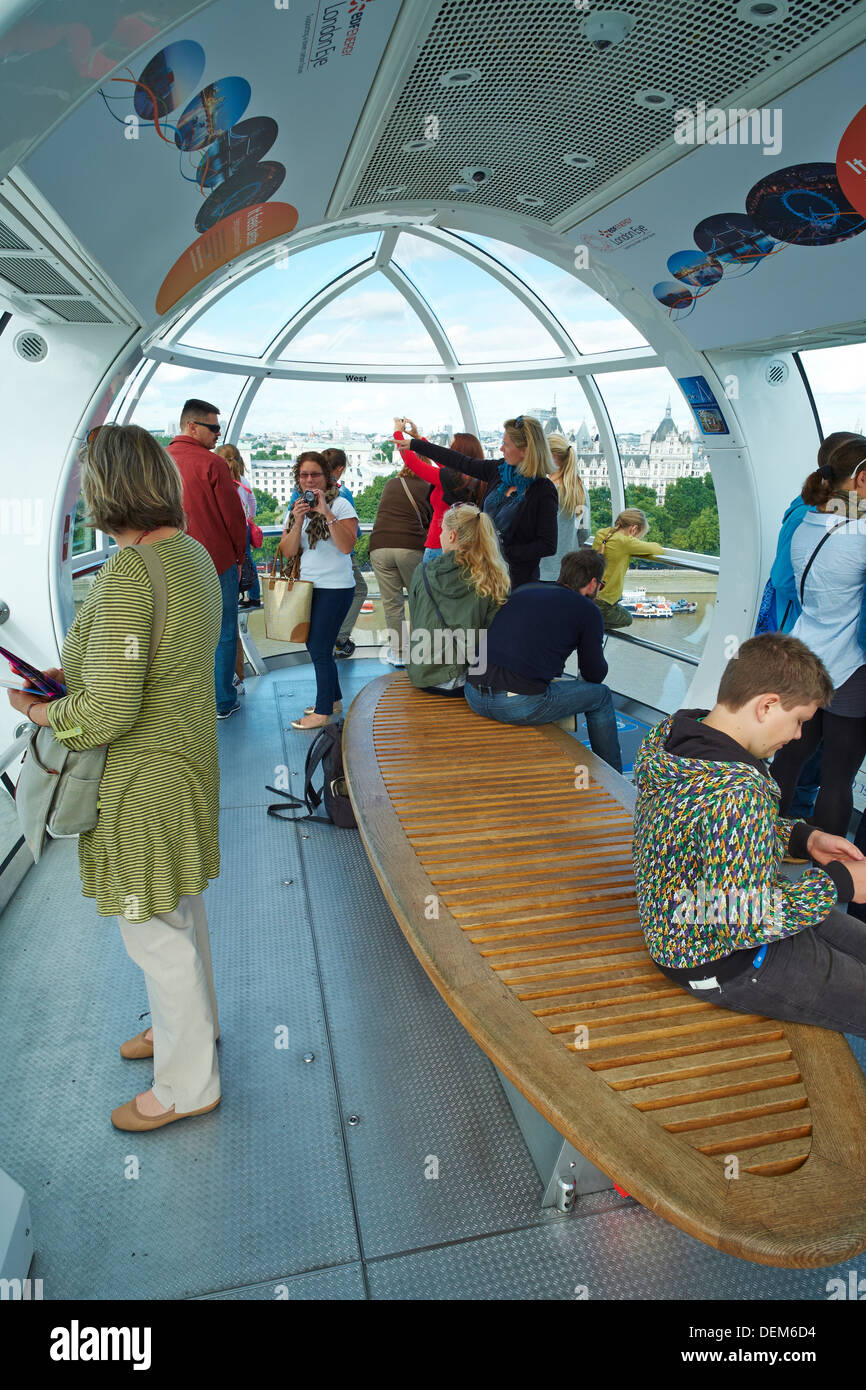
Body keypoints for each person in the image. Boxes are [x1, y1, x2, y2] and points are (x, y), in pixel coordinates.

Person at [8, 425, 223, 1129]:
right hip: (186, 758)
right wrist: (85, 675)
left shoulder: (130, 571)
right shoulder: (188, 556)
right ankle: (188, 1030)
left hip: (141, 776)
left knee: (152, 929)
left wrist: (43, 712)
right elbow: (155, 657)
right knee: (178, 909)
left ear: (106, 489)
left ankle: (187, 1086)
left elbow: (108, 712)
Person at [632, 632, 866, 1037]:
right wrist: (838, 884)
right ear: (767, 706)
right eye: (799, 722)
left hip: (693, 919)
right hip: (720, 958)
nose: (796, 736)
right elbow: (743, 923)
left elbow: (718, 833)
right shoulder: (736, 791)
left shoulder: (679, 737)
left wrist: (803, 839)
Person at [757, 432, 866, 821]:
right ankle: (832, 876)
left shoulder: (805, 524)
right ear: (861, 478)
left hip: (807, 656)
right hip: (850, 667)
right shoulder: (861, 537)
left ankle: (767, 844)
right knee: (838, 777)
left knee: (790, 758)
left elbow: (786, 583)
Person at [464, 547, 622, 771]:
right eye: (601, 585)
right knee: (601, 696)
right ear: (592, 583)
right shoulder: (587, 610)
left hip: (473, 691)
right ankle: (615, 776)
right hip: (515, 703)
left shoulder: (525, 589)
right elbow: (594, 674)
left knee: (538, 680)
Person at [398, 416, 557, 589]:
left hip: (516, 581)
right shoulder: (499, 471)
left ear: (525, 451)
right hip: (483, 575)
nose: (501, 448)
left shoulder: (543, 490)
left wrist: (502, 552)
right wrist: (416, 445)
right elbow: (460, 461)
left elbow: (547, 545)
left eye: (507, 444)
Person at [168, 399, 247, 720]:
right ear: (192, 426)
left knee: (178, 633)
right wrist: (239, 557)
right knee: (224, 632)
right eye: (213, 428)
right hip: (215, 562)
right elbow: (233, 518)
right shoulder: (212, 464)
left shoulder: (159, 461)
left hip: (170, 564)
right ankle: (222, 701)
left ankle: (184, 701)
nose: (218, 434)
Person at [278, 451, 359, 729]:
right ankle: (333, 699)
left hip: (335, 588)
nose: (309, 480)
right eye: (304, 475)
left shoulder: (342, 506)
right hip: (308, 588)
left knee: (319, 648)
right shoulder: (296, 509)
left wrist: (326, 512)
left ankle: (323, 711)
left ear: (327, 477)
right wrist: (299, 520)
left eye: (315, 474)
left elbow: (347, 546)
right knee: (317, 645)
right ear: (298, 480)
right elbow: (288, 552)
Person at [406, 504, 510, 694]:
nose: (440, 535)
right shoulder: (493, 577)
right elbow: (494, 634)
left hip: (424, 675)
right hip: (469, 679)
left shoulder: (422, 572)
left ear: (452, 535)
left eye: (442, 530)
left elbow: (416, 620)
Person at [395, 418, 487, 563]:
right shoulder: (478, 479)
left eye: (451, 449)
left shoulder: (447, 478)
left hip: (439, 545)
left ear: (458, 453)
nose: (447, 452)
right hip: (466, 546)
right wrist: (418, 439)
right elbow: (441, 458)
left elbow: (412, 463)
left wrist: (397, 433)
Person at [368, 461, 432, 666]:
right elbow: (431, 519)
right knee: (417, 601)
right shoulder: (427, 486)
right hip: (410, 546)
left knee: (391, 604)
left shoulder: (391, 483)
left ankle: (398, 653)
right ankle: (418, 653)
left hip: (379, 546)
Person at [321, 449, 369, 658]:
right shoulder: (344, 493)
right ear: (340, 469)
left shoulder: (302, 490)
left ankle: (323, 640)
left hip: (313, 559)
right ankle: (340, 637)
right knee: (359, 590)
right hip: (340, 557)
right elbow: (353, 532)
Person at [592, 508, 664, 630]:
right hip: (603, 601)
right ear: (634, 529)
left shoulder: (601, 533)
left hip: (589, 593)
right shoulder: (626, 542)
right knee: (627, 619)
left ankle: (587, 623)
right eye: (638, 536)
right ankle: (589, 625)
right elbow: (658, 549)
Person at [539, 433, 590, 581]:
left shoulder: (543, 490)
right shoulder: (580, 490)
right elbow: (584, 531)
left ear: (552, 456)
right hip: (569, 570)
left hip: (542, 569)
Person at [217, 443, 261, 610]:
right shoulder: (243, 481)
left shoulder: (222, 482)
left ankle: (232, 597)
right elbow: (252, 502)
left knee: (230, 564)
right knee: (248, 561)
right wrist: (250, 517)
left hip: (228, 531)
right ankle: (255, 596)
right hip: (244, 528)